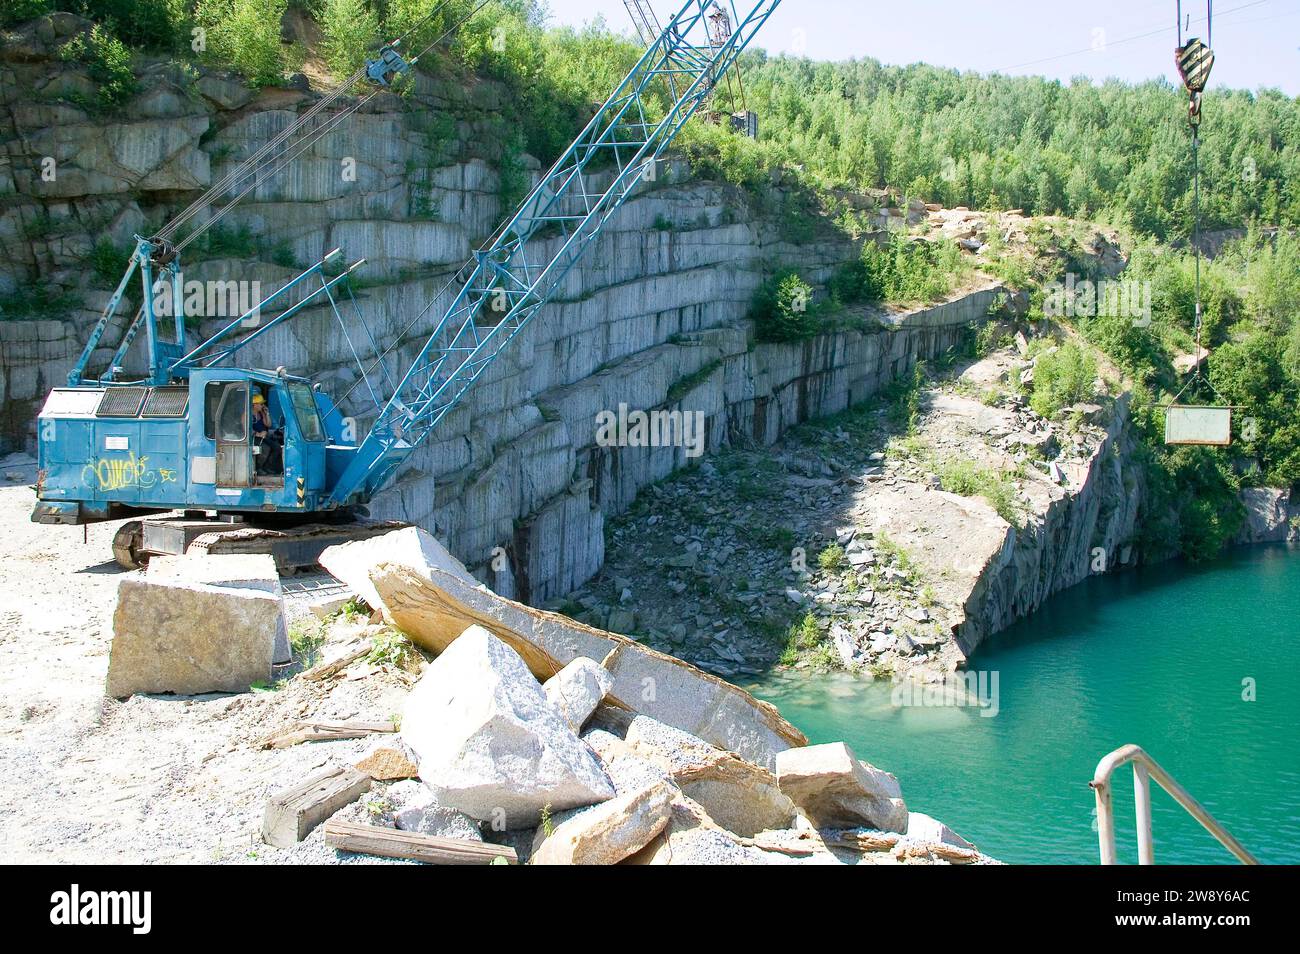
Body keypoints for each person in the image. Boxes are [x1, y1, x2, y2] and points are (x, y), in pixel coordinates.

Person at [252, 391, 282, 475]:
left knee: (277, 447)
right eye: (261, 404)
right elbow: (246, 429)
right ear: (254, 405)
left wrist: (267, 413)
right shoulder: (247, 415)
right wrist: (258, 434)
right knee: (265, 448)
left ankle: (268, 466)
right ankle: (259, 468)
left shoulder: (261, 413)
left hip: (264, 436)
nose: (262, 406)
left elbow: (268, 424)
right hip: (255, 437)